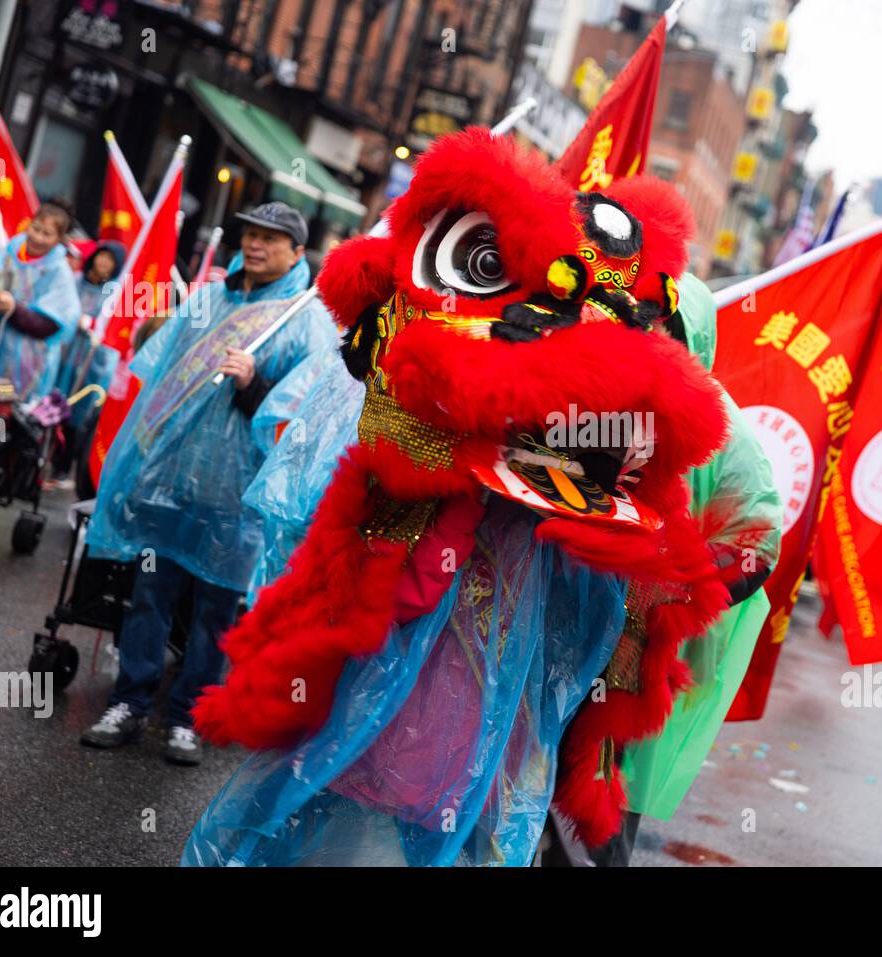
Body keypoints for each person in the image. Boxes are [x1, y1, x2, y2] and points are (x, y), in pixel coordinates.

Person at [179, 128, 731, 866]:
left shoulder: (613, 462)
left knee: (429, 821)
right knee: (334, 807)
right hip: (386, 661)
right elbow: (328, 500)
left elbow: (612, 619)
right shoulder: (411, 382)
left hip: (479, 707)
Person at [79, 202, 338, 766]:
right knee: (149, 594)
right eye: (250, 233)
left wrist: (254, 384)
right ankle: (129, 702)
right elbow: (158, 381)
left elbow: (307, 420)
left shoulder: (306, 319)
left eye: (272, 237)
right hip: (170, 483)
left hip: (236, 499)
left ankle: (187, 717)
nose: (255, 244)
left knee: (215, 614)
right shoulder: (208, 300)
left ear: (297, 252)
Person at [540, 273, 783, 867]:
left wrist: (674, 597)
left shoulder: (725, 428)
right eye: (637, 320)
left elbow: (758, 542)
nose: (647, 334)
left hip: (637, 651)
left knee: (601, 798)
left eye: (662, 324)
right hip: (555, 623)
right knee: (529, 776)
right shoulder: (596, 392)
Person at [0, 201, 81, 401]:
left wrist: (14, 310)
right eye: (36, 229)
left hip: (25, 366)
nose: (37, 237)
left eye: (47, 234)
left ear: (59, 239)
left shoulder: (58, 272)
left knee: (2, 420)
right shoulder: (10, 250)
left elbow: (50, 325)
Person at [50, 240, 127, 485]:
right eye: (101, 256)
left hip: (92, 363)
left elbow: (115, 328)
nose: (103, 263)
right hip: (64, 355)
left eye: (110, 260)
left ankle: (63, 469)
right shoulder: (74, 281)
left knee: (77, 416)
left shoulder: (115, 292)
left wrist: (93, 326)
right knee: (52, 405)